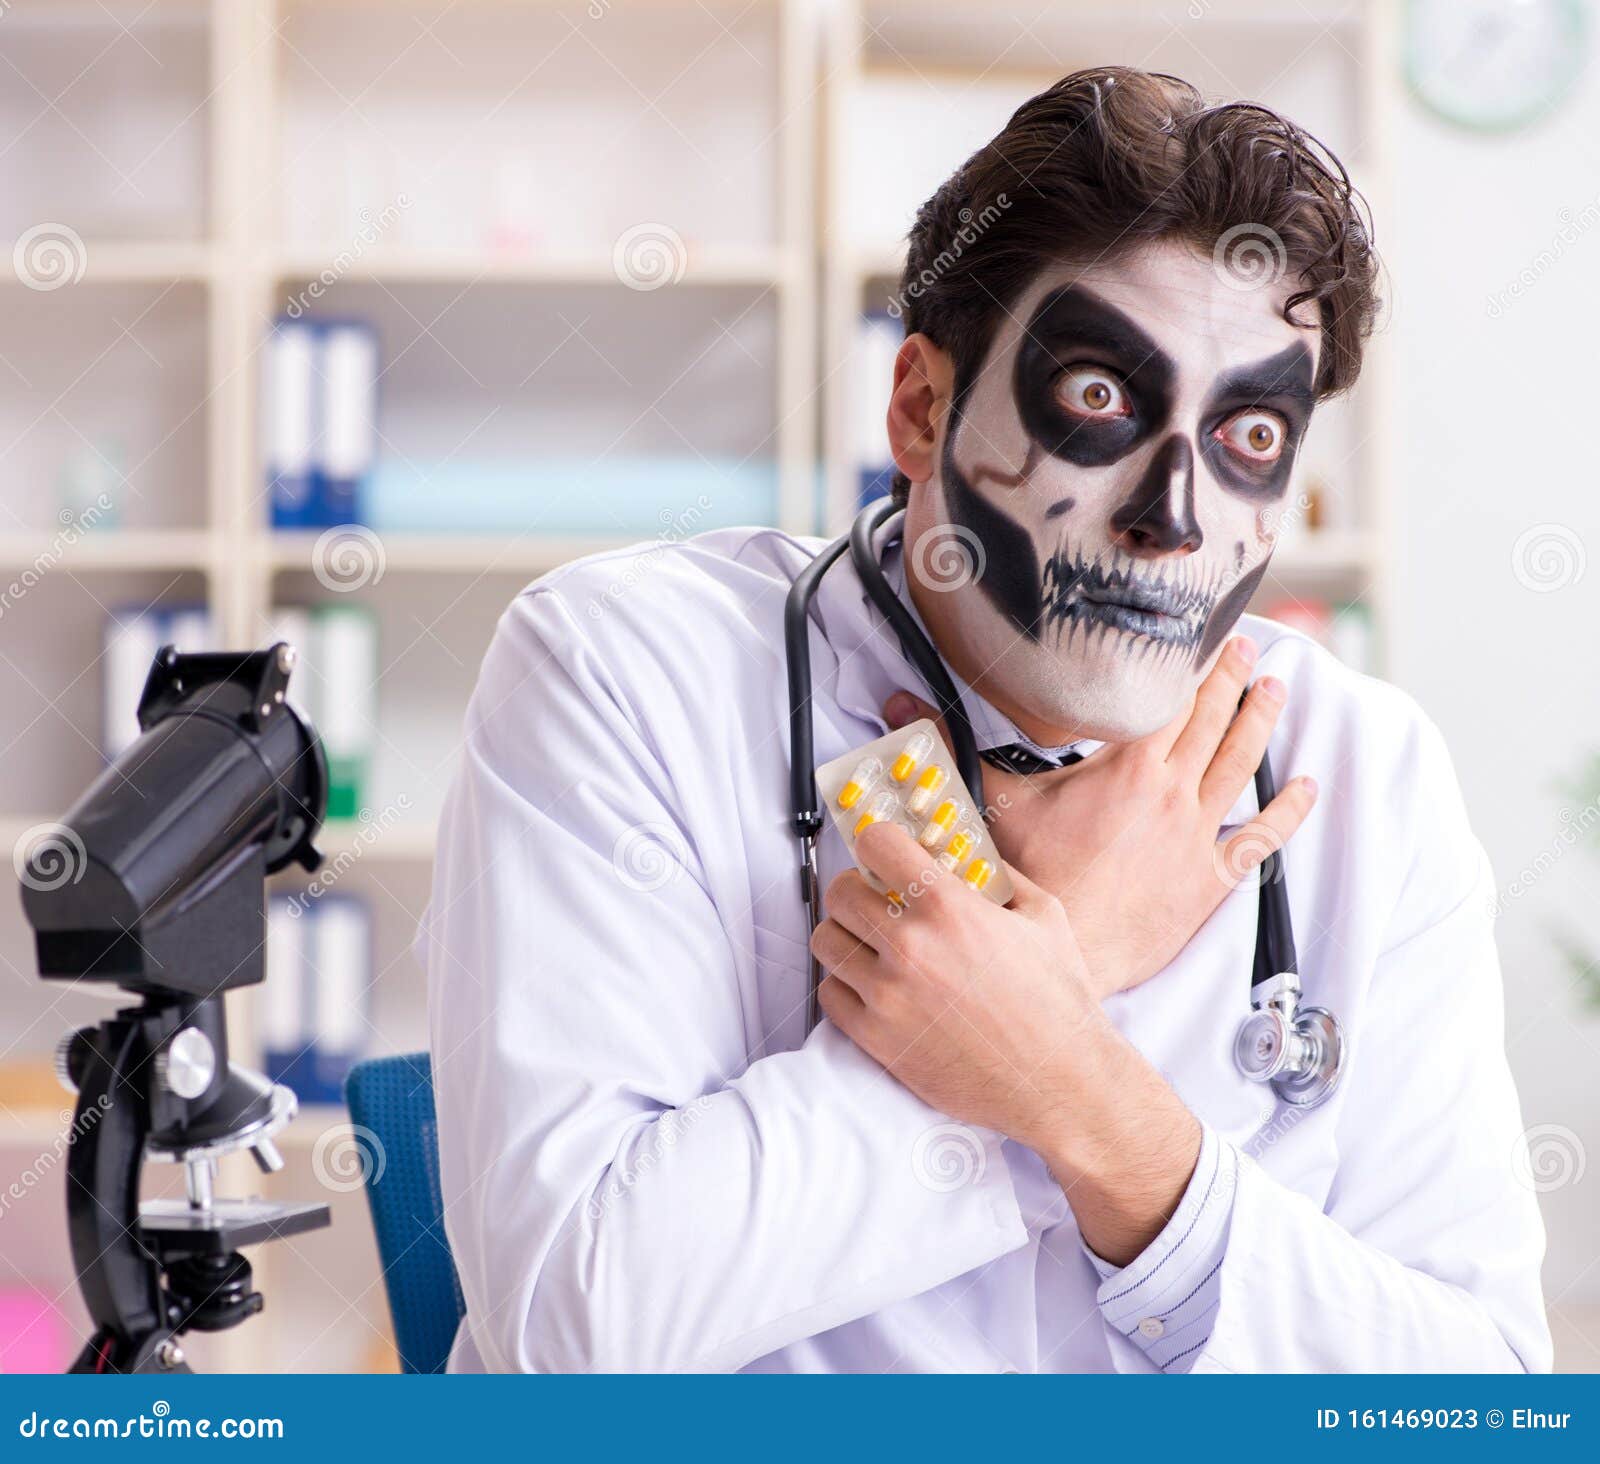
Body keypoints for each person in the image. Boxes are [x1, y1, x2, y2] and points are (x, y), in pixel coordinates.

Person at [420, 68, 1550, 1373]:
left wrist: (1071, 1075)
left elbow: (1480, 1400)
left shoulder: (1360, 770)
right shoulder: (624, 670)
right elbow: (572, 1334)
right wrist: (1063, 961)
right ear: (919, 408)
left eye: (1246, 433)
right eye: (1097, 402)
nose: (1171, 517)